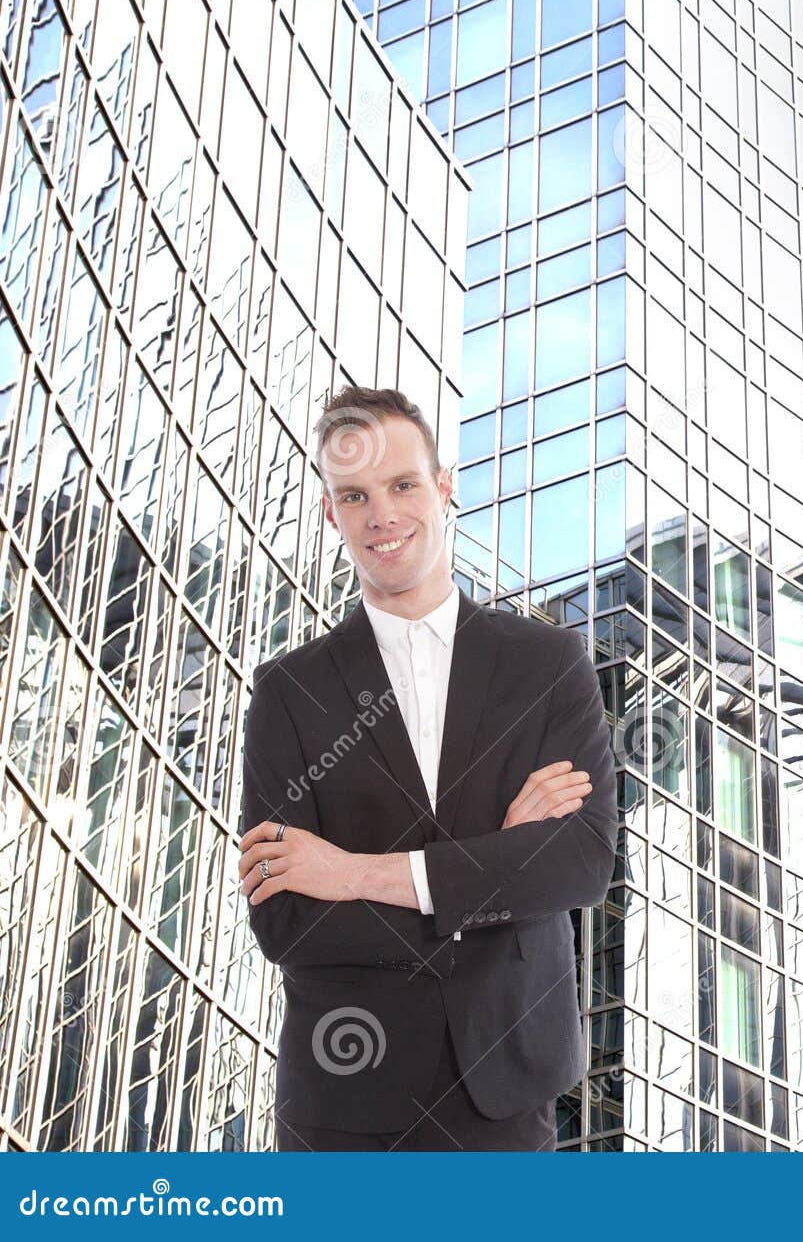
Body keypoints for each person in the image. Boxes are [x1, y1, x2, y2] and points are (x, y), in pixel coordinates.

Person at [236, 385, 618, 1151]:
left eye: (403, 484)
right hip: (345, 1108)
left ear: (444, 488)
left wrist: (351, 872)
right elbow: (287, 922)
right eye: (355, 495)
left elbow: (580, 864)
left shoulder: (547, 663)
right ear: (331, 513)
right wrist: (498, 866)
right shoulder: (288, 691)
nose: (382, 514)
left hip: (508, 1103)